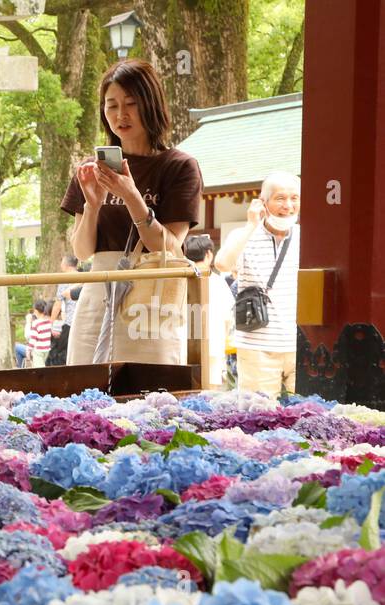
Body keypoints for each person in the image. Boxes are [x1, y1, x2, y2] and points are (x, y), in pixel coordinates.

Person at [61, 59, 203, 365]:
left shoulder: (179, 167)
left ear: (150, 105)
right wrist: (92, 205)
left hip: (150, 298)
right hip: (98, 296)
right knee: (87, 397)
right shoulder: (93, 168)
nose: (120, 115)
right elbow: (83, 251)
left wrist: (132, 196)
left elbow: (168, 247)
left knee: (148, 397)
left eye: (131, 103)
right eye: (111, 106)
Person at [213, 171, 301, 397]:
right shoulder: (243, 235)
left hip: (299, 345)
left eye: (295, 198)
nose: (288, 205)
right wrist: (251, 225)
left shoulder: (306, 236)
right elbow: (222, 264)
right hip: (256, 345)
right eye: (280, 198)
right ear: (263, 202)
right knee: (259, 414)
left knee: (307, 412)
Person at [182, 233, 237, 389]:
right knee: (210, 393)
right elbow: (228, 317)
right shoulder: (218, 282)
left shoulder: (180, 279)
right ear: (208, 254)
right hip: (213, 345)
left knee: (185, 390)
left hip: (183, 347)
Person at [49, 254, 80, 363]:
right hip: (83, 321)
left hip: (70, 323)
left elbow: (58, 304)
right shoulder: (84, 276)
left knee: (63, 354)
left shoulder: (65, 279)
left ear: (65, 264)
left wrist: (51, 322)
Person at [26, 299, 53, 368]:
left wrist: (28, 350)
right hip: (47, 349)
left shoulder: (36, 323)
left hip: (38, 350)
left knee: (39, 368)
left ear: (36, 311)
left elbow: (33, 339)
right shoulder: (49, 321)